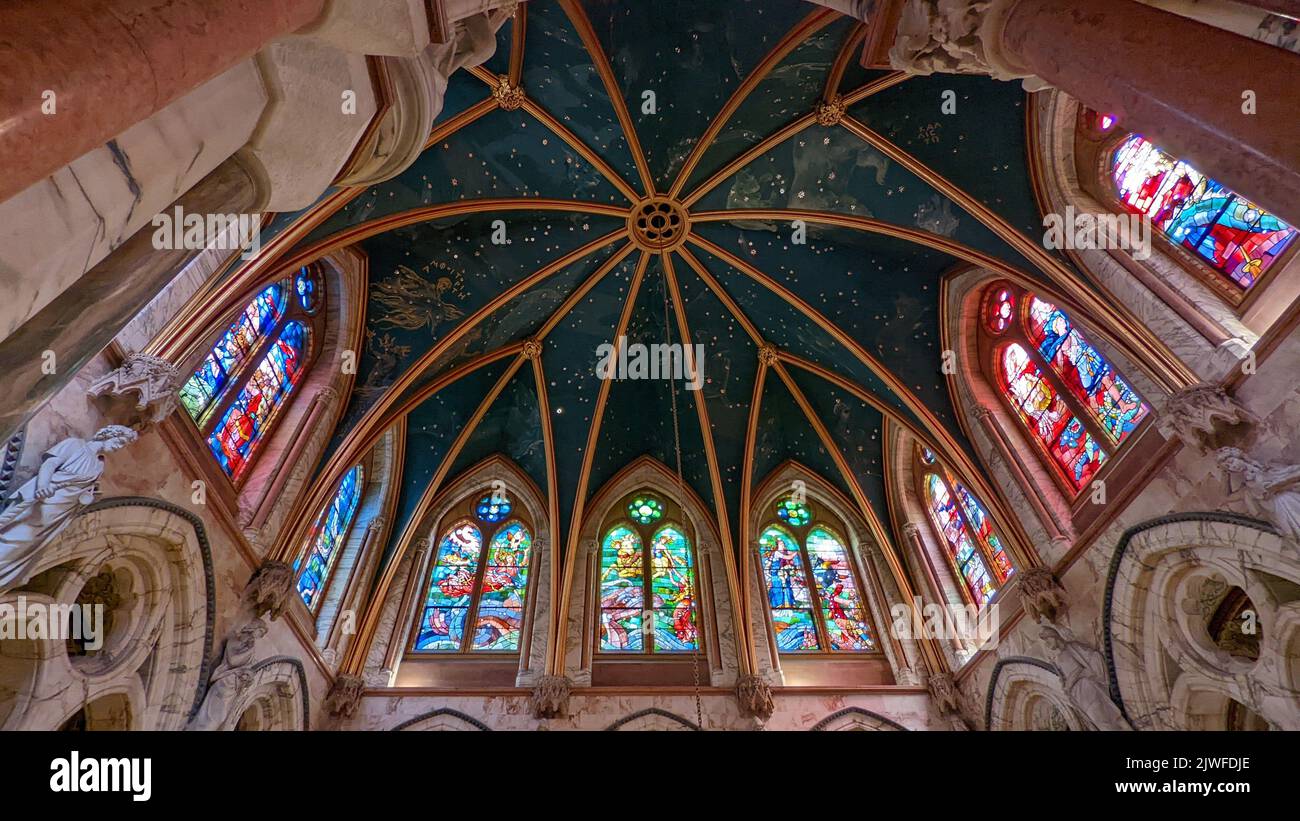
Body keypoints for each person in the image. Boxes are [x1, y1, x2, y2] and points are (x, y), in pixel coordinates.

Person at [0, 426, 137, 591]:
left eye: (122, 445)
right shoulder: (75, 445)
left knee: (26, 547)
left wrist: (90, 494)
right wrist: (43, 486)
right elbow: (50, 464)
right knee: (16, 538)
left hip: (60, 514)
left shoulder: (99, 465)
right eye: (119, 441)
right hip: (46, 502)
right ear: (107, 435)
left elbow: (83, 488)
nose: (118, 447)